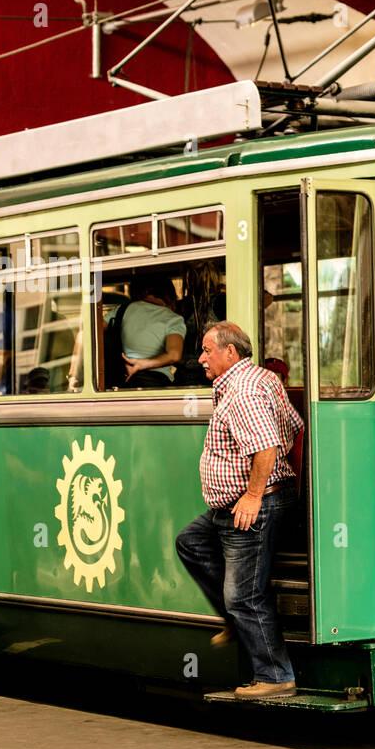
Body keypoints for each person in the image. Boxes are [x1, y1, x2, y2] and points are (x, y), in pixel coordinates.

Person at [175, 321, 304, 700]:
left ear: (230, 353)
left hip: (250, 507)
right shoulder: (260, 378)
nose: (200, 358)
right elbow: (292, 427)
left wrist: (252, 496)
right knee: (191, 542)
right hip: (236, 505)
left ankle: (276, 676)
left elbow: (264, 446)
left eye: (207, 350)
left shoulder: (244, 390)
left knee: (244, 595)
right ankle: (234, 622)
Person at [120, 280, 185, 387]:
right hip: (156, 382)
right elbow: (174, 355)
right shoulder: (173, 318)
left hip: (125, 380)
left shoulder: (122, 310)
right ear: (169, 297)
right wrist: (140, 364)